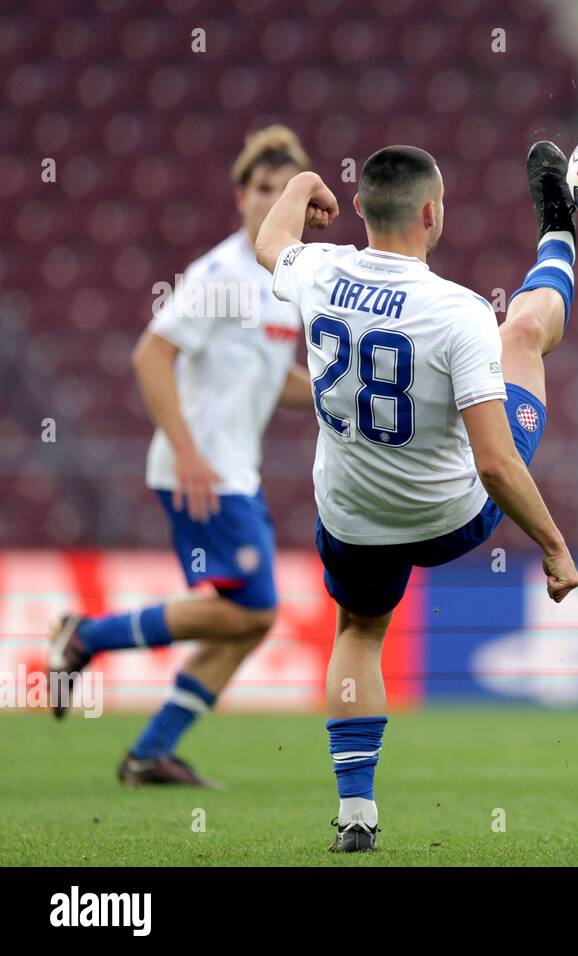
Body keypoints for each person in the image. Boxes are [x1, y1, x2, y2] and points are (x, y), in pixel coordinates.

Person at [255, 142, 578, 852]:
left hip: (354, 518)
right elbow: (495, 463)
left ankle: (357, 814)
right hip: (449, 518)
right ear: (432, 214)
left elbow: (271, 240)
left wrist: (304, 182)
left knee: (360, 631)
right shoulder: (459, 312)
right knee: (522, 334)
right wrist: (554, 548)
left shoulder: (319, 271)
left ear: (364, 208)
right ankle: (558, 233)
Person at [47, 126, 318, 787]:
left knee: (245, 624)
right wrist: (189, 450)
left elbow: (271, 374)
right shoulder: (220, 274)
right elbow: (151, 354)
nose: (268, 202)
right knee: (255, 610)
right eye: (260, 190)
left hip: (232, 469)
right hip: (201, 470)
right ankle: (88, 635)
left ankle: (149, 754)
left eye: (284, 193)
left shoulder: (282, 284)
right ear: (240, 197)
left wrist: (335, 394)